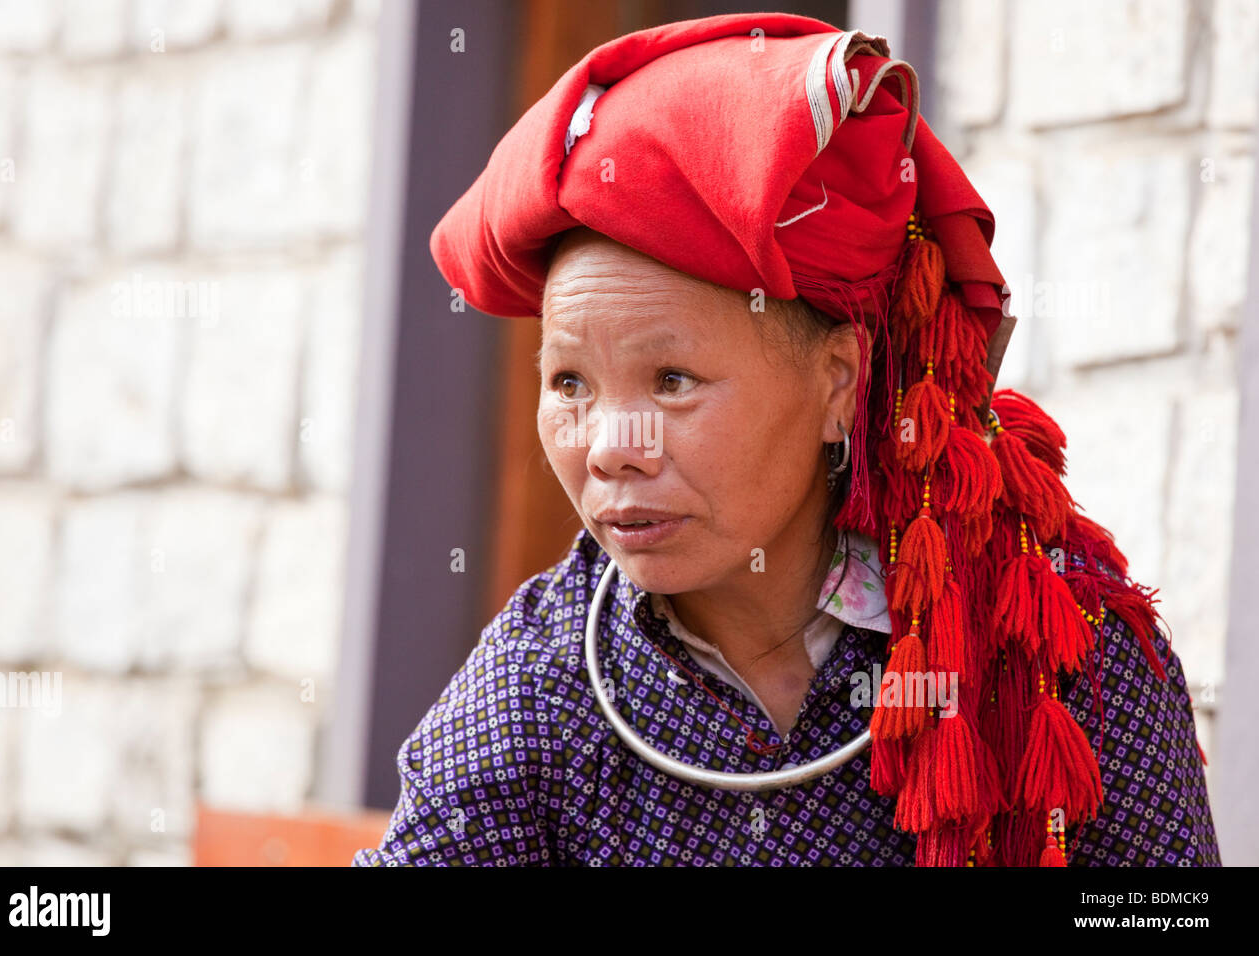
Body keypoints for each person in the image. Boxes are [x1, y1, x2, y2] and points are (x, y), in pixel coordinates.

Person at [352, 13, 1219, 866]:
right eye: (569, 383)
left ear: (837, 383)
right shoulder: (535, 692)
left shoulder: (1054, 652)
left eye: (673, 381)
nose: (611, 446)